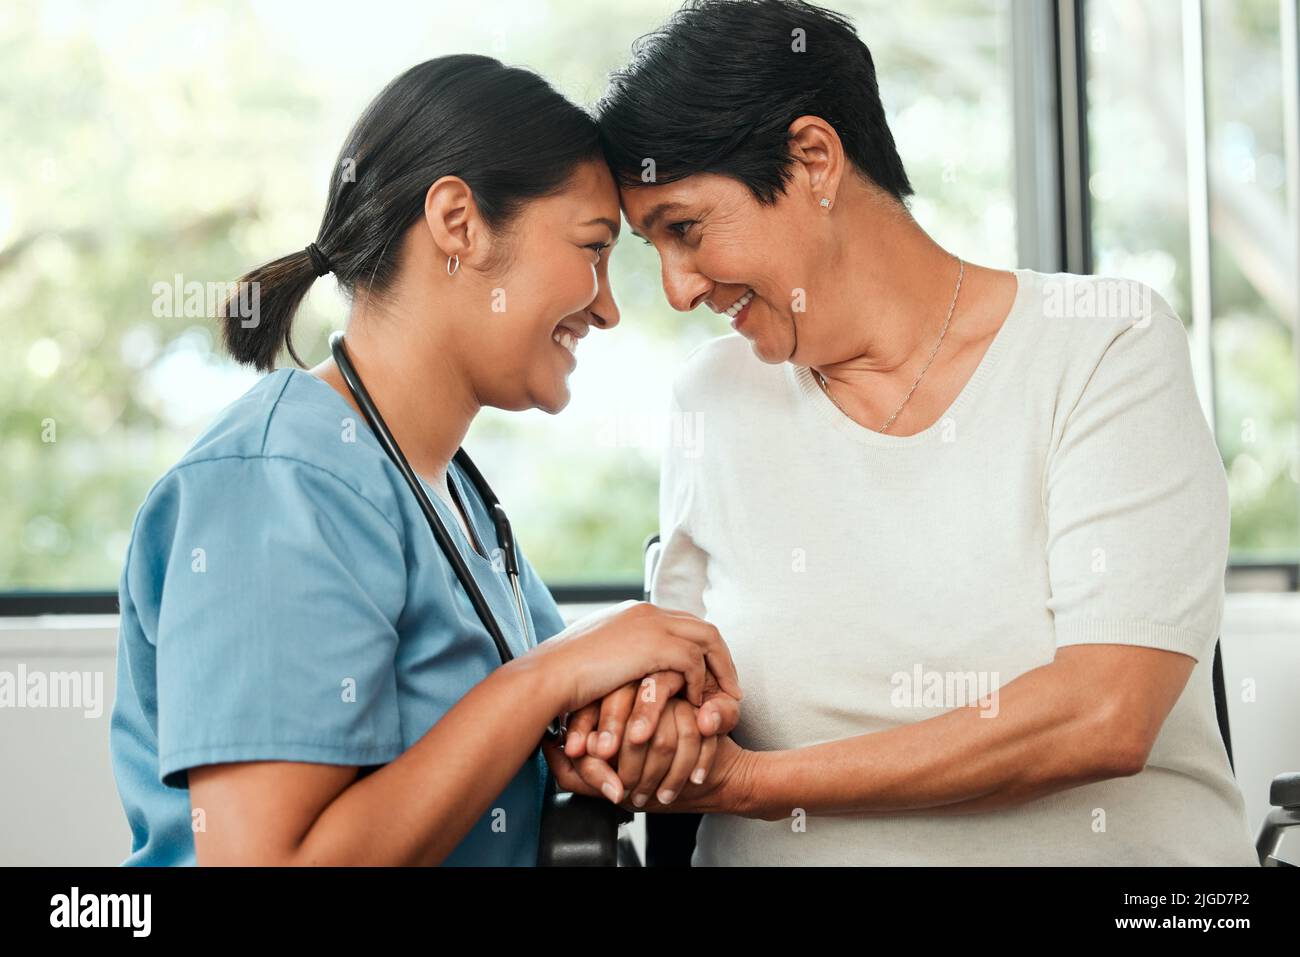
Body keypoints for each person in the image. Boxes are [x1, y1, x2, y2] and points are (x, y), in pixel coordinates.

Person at [552, 0, 1260, 866]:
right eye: (650, 246)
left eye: (686, 230)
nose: (676, 289)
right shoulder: (714, 399)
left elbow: (1104, 712)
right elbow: (681, 674)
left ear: (814, 159)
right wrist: (641, 722)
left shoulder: (1104, 342)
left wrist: (753, 787)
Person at [109, 54, 742, 867]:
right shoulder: (280, 483)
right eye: (593, 247)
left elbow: (544, 723)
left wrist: (639, 711)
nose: (610, 306)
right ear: (457, 223)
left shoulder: (456, 498)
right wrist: (550, 678)